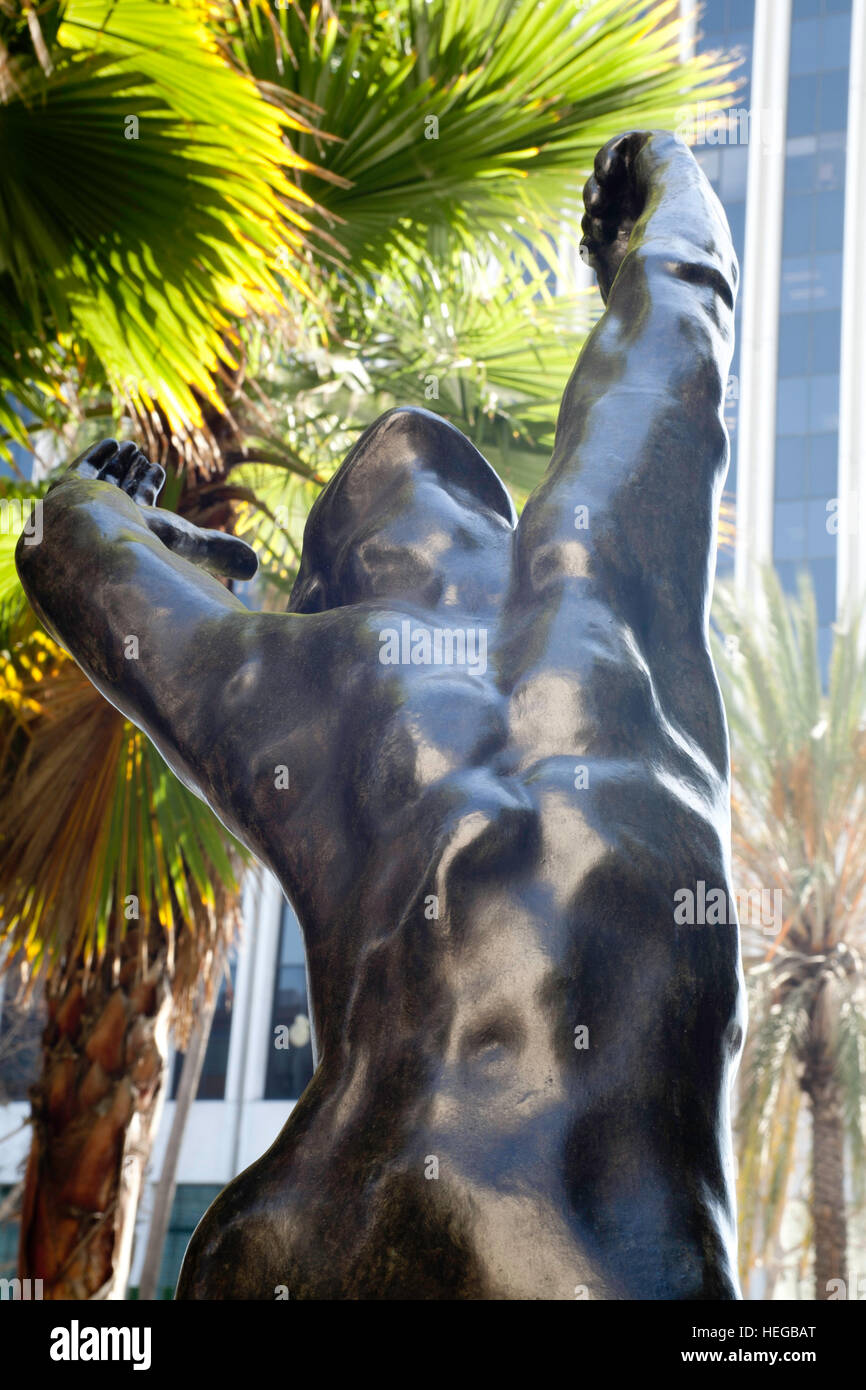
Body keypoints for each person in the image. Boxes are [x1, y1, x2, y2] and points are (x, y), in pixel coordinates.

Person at [17, 130, 745, 1300]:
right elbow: (675, 331)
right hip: (576, 1253)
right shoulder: (584, 588)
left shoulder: (317, 680)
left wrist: (108, 502)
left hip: (303, 1236)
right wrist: (656, 187)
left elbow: (73, 559)